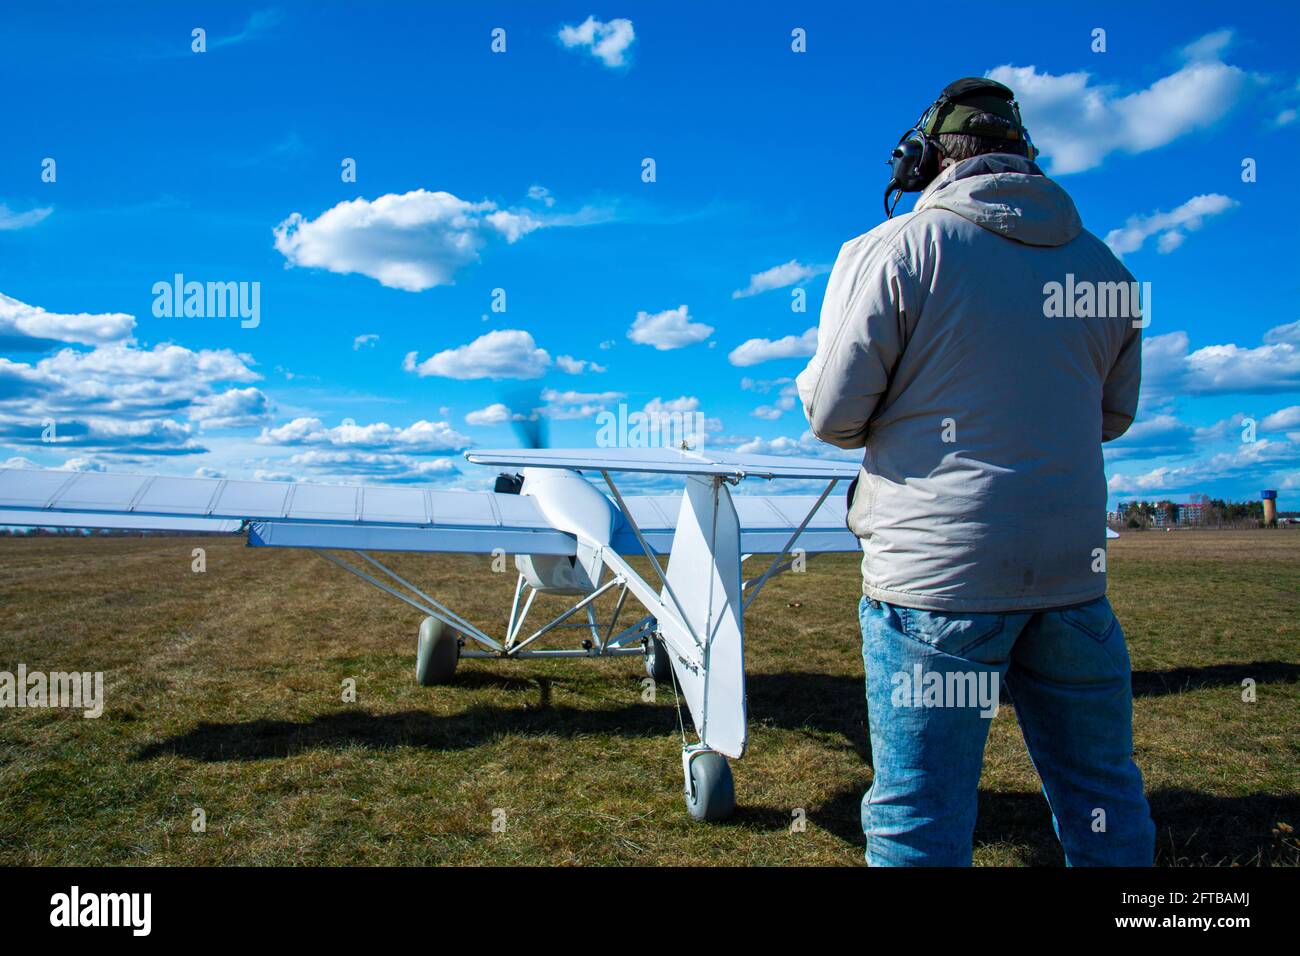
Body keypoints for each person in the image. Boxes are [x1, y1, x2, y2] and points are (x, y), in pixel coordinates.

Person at [795, 77, 1155, 866]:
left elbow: (831, 416)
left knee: (921, 811)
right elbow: (1111, 416)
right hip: (1072, 574)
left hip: (938, 580)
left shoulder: (892, 251)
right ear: (1024, 156)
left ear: (924, 160)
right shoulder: (1107, 268)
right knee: (1103, 793)